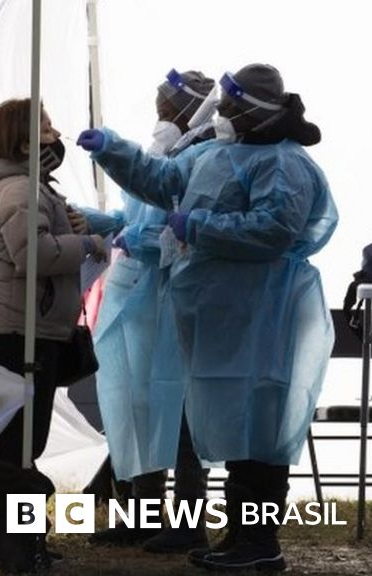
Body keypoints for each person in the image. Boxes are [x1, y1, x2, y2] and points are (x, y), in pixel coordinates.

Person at [77, 63, 337, 572]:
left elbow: (273, 229)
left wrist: (197, 224)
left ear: (256, 112)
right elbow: (162, 180)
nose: (220, 112)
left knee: (261, 431)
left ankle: (261, 545)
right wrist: (111, 148)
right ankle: (241, 540)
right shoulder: (213, 154)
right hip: (225, 317)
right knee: (239, 431)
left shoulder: (285, 165)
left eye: (231, 104)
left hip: (265, 313)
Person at [0, 98, 108, 573]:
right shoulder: (20, 187)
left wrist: (69, 223)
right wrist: (86, 243)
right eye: (44, 126)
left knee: (23, 447)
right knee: (16, 451)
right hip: (18, 331)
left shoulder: (29, 187)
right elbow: (33, 256)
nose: (55, 131)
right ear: (24, 140)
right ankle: (13, 552)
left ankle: (19, 546)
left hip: (32, 327)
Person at [87, 69, 216, 554]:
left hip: (172, 300)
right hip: (137, 301)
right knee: (133, 410)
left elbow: (173, 233)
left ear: (191, 114)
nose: (159, 119)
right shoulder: (162, 157)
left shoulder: (201, 162)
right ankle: (141, 515)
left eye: (167, 111)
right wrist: (98, 223)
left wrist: (133, 237)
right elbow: (134, 217)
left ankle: (187, 522)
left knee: (178, 415)